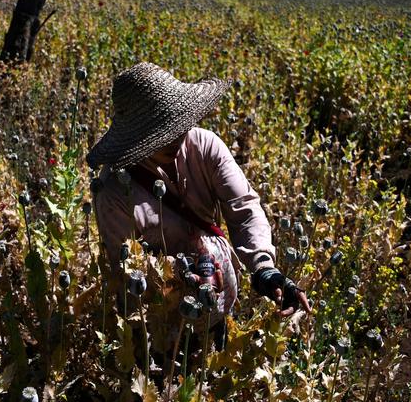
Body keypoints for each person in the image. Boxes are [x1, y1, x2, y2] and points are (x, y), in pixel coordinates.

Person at [87, 62, 309, 324]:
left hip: (221, 306)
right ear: (135, 136)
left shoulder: (204, 146)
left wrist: (264, 269)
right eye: (159, 133)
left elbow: (244, 209)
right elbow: (123, 270)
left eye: (177, 126)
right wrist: (180, 278)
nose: (174, 138)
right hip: (157, 322)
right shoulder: (114, 190)